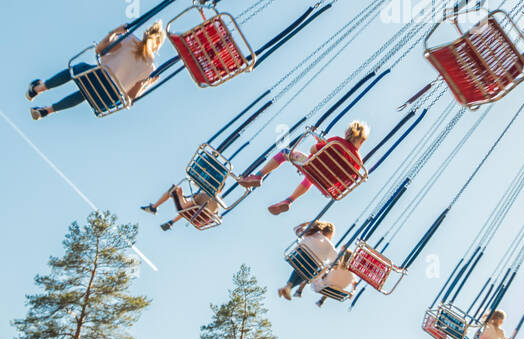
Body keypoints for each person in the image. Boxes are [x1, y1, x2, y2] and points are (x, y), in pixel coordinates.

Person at [27, 22, 165, 119]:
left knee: (77, 71)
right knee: (86, 93)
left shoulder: (130, 39)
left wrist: (114, 32)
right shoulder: (150, 68)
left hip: (98, 77)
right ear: (158, 46)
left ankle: (39, 88)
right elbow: (131, 96)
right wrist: (148, 83)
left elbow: (99, 50)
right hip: (108, 98)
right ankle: (47, 111)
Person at [236, 121, 369, 215]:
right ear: (362, 141)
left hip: (312, 166)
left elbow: (313, 149)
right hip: (326, 182)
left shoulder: (337, 142)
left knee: (285, 153)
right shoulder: (358, 161)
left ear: (347, 133)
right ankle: (289, 200)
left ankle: (259, 175)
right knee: (312, 177)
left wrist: (321, 143)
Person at [279, 221, 337, 301]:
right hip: (310, 269)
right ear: (330, 234)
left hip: (297, 258)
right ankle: (288, 287)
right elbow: (336, 262)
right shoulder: (331, 246)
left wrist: (309, 223)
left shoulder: (312, 233)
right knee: (309, 273)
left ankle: (287, 287)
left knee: (303, 266)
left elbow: (296, 228)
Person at [142, 183, 221, 232]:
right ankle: (171, 222)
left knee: (174, 189)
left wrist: (180, 194)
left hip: (187, 211)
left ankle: (153, 207)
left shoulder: (203, 195)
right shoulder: (217, 205)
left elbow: (184, 207)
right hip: (195, 217)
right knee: (191, 206)